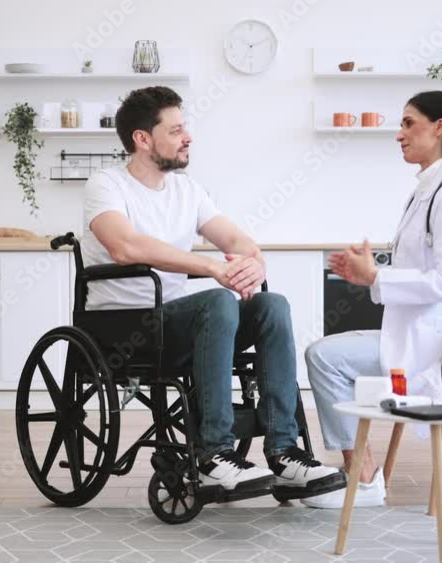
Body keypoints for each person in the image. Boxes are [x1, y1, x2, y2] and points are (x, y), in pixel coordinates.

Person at [83, 86, 345, 499]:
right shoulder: (106, 185)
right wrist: (212, 268)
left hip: (182, 321)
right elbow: (125, 246)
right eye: (176, 130)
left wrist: (252, 264)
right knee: (219, 299)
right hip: (125, 325)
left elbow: (241, 243)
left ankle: (284, 452)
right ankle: (213, 455)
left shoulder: (188, 191)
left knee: (271, 303)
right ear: (142, 139)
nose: (188, 137)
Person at [301, 90, 442, 509]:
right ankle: (361, 472)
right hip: (419, 332)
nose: (399, 134)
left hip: (440, 344)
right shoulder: (428, 190)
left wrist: (379, 276)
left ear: (439, 127)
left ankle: (364, 479)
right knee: (328, 354)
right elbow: (424, 275)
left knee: (324, 357)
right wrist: (371, 276)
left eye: (409, 123)